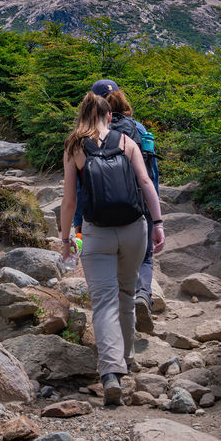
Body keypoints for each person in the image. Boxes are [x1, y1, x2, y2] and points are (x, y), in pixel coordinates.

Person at [61, 92, 165, 405]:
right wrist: (158, 223)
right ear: (109, 116)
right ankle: (126, 357)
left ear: (82, 116)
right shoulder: (126, 141)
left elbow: (69, 200)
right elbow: (146, 183)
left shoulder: (74, 147)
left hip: (96, 233)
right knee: (126, 292)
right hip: (135, 229)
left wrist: (65, 239)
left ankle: (110, 374)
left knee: (103, 301)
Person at [74, 79, 163, 333]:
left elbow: (81, 187)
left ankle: (113, 324)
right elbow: (150, 175)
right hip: (137, 208)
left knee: (106, 264)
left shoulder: (86, 136)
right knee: (144, 257)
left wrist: (77, 224)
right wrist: (156, 217)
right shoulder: (138, 129)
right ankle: (142, 295)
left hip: (98, 212)